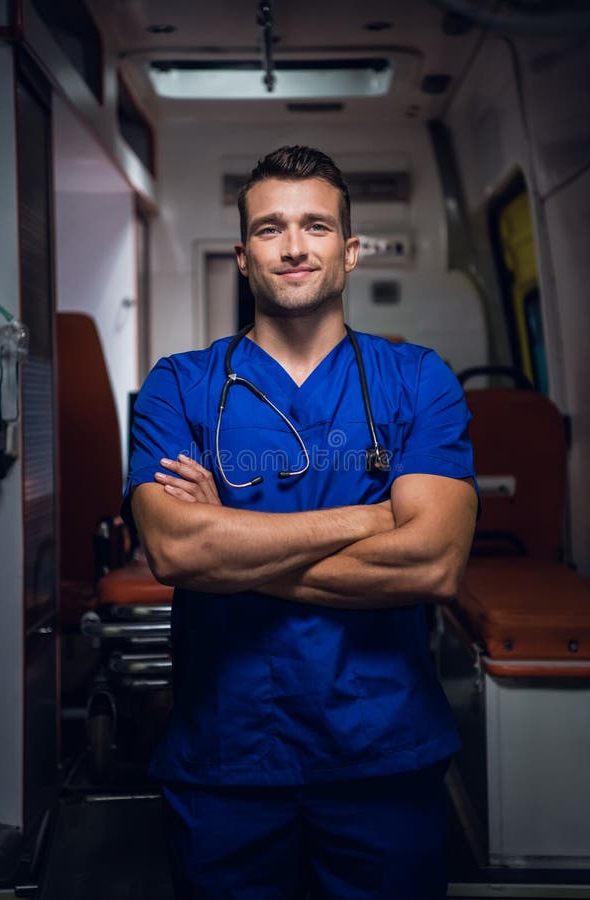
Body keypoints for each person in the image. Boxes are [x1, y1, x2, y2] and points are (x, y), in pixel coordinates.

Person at [123, 145, 478, 899]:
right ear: (243, 257)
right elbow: (176, 549)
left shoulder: (418, 381)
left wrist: (233, 546)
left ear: (348, 252)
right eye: (269, 229)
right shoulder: (178, 387)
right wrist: (375, 516)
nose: (292, 246)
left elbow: (432, 566)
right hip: (226, 759)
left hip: (384, 758)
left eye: (315, 226)